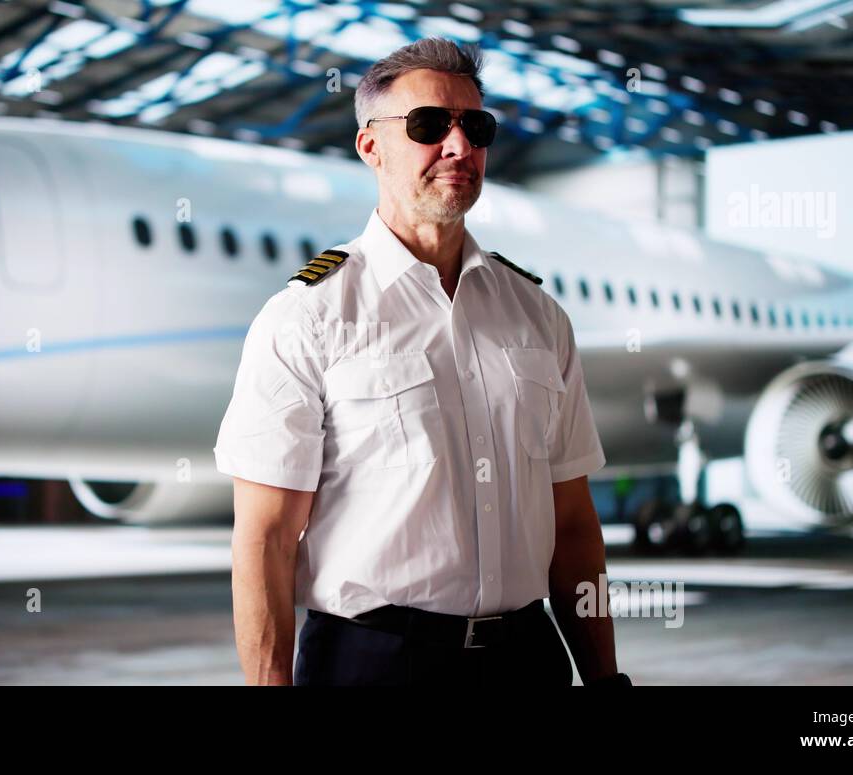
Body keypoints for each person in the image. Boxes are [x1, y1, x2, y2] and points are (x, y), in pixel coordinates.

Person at [215, 37, 628, 686]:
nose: (459, 146)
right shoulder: (308, 317)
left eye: (476, 126)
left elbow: (575, 526)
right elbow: (264, 541)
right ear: (370, 146)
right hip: (376, 662)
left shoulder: (538, 317)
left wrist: (605, 678)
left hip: (528, 658)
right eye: (430, 125)